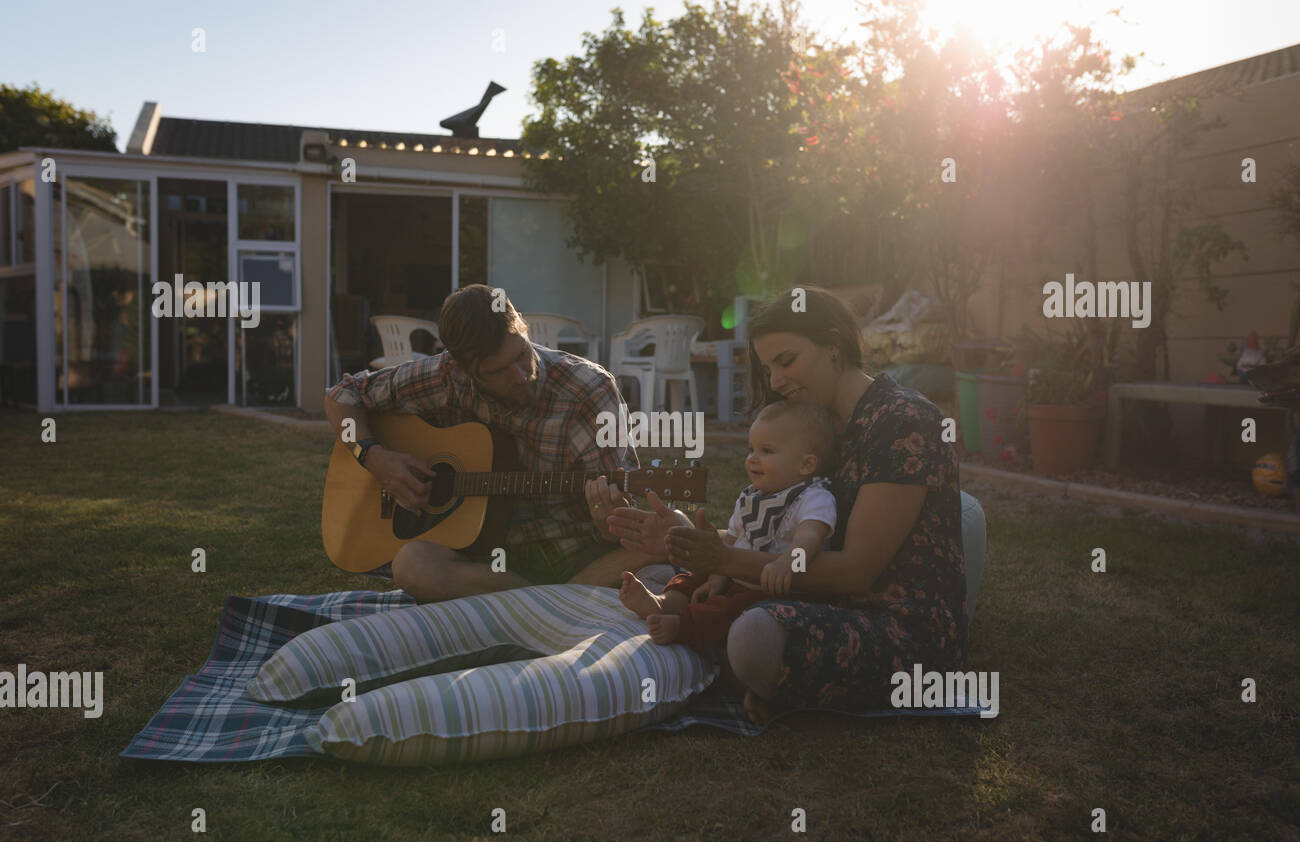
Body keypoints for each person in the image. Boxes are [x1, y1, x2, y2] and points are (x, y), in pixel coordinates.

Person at [604, 286, 968, 726]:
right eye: (768, 367)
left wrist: (727, 560)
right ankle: (761, 677)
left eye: (787, 360)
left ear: (834, 347)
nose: (775, 382)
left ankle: (755, 672)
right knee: (663, 577)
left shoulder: (904, 422)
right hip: (815, 596)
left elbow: (858, 572)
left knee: (753, 636)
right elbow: (776, 536)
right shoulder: (814, 424)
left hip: (894, 625)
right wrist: (683, 539)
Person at [323, 284, 652, 601]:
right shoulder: (445, 377)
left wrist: (607, 516)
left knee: (662, 546)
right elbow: (342, 395)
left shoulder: (588, 391)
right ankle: (547, 602)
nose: (522, 375)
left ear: (523, 329)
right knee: (411, 565)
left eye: (522, 353)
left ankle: (525, 604)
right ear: (463, 371)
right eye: (499, 370)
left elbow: (619, 526)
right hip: (483, 560)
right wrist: (373, 457)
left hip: (575, 552)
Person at [617, 400, 838, 656]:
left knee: (732, 609)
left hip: (773, 588)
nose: (753, 459)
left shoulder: (813, 497)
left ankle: (684, 626)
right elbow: (732, 541)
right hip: (735, 574)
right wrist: (717, 576)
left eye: (766, 451)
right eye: (750, 449)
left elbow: (810, 535)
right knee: (694, 580)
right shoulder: (751, 497)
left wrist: (786, 563)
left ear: (806, 465)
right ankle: (663, 602)